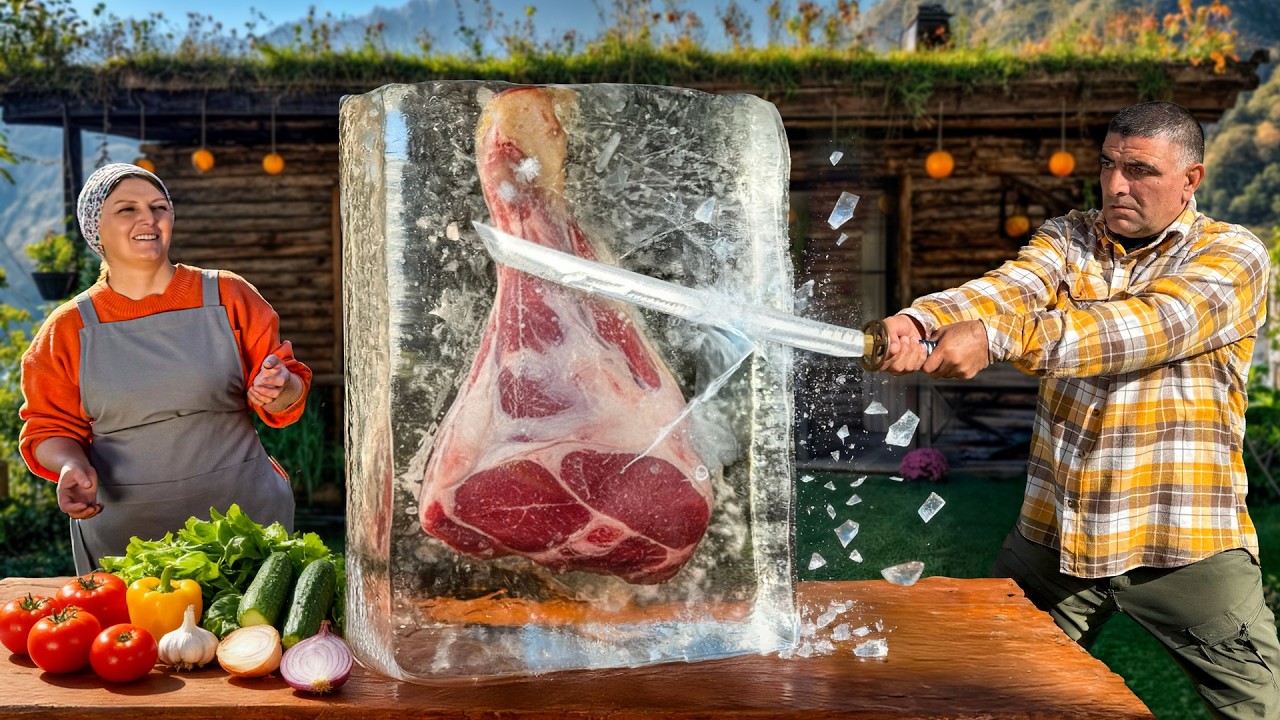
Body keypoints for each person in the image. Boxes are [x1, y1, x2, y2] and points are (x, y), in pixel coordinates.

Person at [877, 101, 1280, 719]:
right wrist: (920, 319)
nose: (1118, 184)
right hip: (1053, 535)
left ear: (1190, 180)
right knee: (981, 693)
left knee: (1261, 708)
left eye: (1141, 170)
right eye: (1109, 165)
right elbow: (1006, 287)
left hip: (1180, 541)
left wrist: (997, 340)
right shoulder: (1070, 237)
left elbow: (1145, 327)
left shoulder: (1233, 255)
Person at [19, 162, 311, 575]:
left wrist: (280, 388)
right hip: (127, 541)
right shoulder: (68, 329)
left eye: (159, 206)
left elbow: (287, 386)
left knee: (252, 639)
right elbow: (49, 428)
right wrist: (70, 463)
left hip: (245, 522)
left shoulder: (228, 294)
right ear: (94, 227)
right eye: (127, 209)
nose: (148, 219)